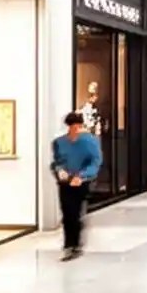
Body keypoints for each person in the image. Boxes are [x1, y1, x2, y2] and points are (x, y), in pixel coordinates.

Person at [51, 111, 103, 262]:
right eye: (71, 127)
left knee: (75, 213)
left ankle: (76, 244)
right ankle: (69, 245)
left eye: (77, 127)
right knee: (67, 214)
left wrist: (83, 176)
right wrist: (59, 170)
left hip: (82, 182)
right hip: (65, 182)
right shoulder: (59, 142)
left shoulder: (90, 141)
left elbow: (95, 161)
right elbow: (56, 162)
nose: (74, 130)